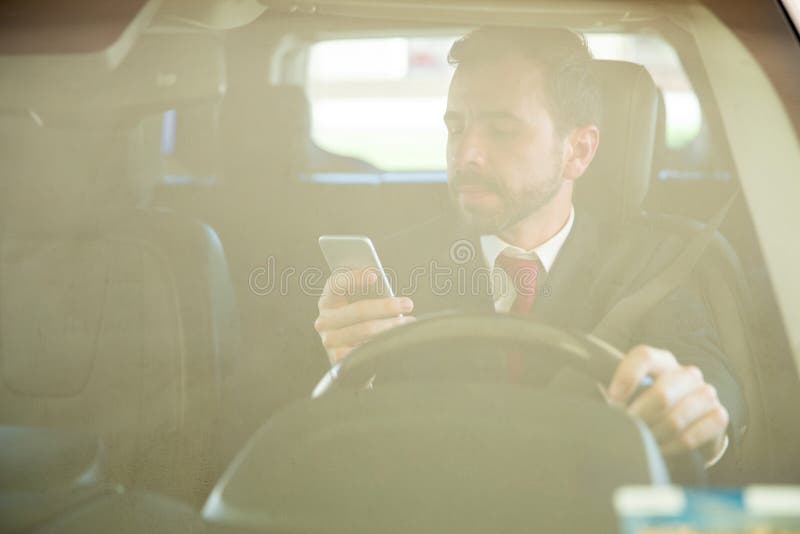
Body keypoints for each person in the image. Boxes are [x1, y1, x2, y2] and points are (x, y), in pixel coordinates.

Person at [313, 27, 743, 467]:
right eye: (456, 128)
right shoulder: (391, 273)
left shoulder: (652, 265)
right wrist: (349, 372)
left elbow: (706, 377)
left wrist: (697, 419)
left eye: (502, 131)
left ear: (578, 151)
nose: (467, 155)